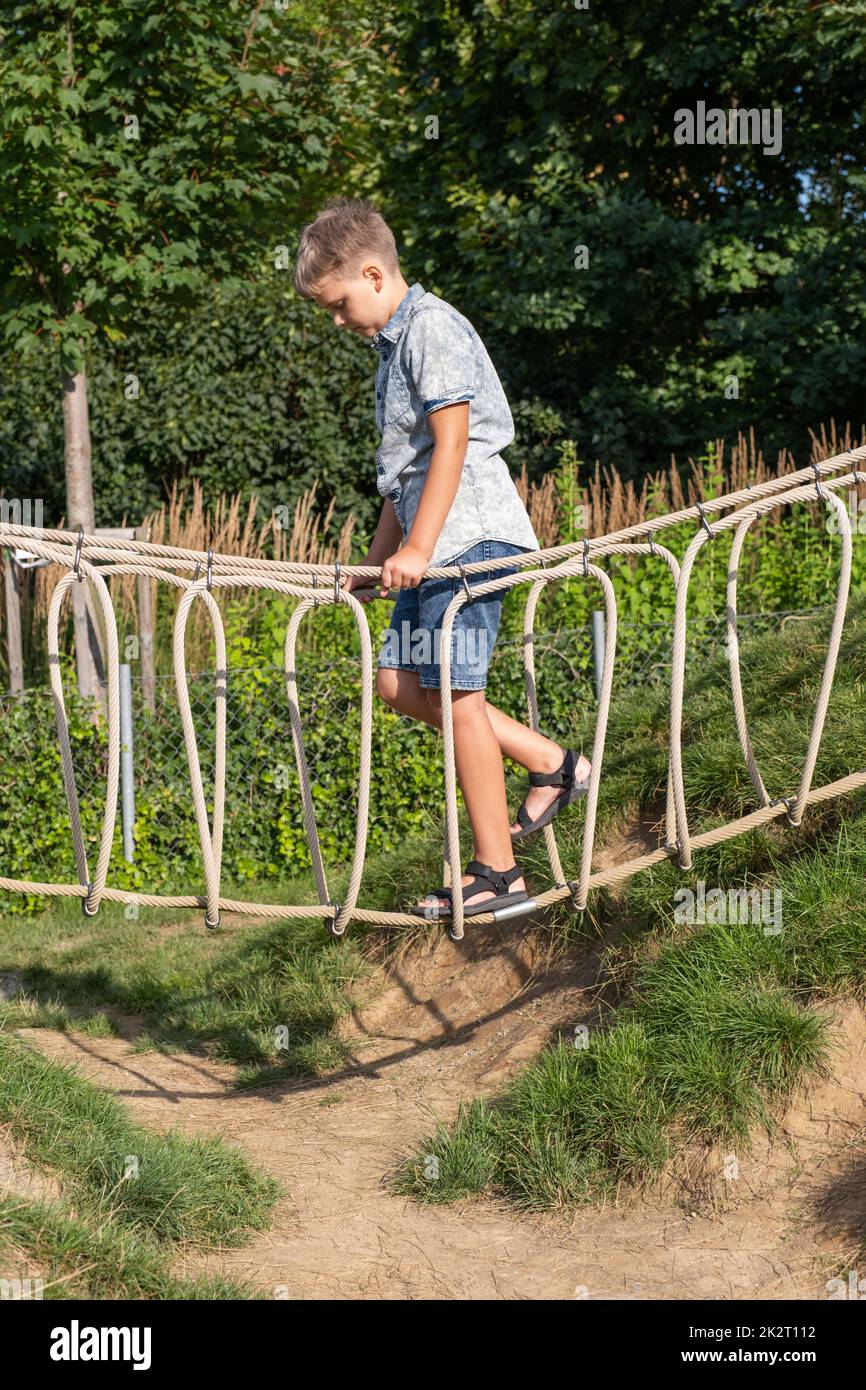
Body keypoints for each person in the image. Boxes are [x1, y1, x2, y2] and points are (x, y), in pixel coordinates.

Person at [293, 197, 590, 921]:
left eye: (337, 305)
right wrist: (375, 562)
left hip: (470, 540)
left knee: (460, 695)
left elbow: (452, 444)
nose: (337, 321)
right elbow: (406, 475)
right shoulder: (389, 354)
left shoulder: (432, 329)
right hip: (431, 546)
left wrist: (420, 549)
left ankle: (499, 873)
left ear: (371, 272)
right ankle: (555, 763)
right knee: (397, 681)